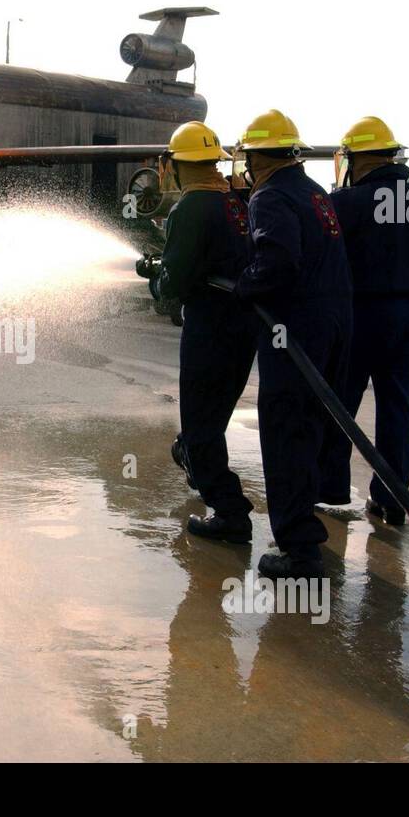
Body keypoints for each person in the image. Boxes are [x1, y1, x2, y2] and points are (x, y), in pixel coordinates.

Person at [232, 110, 352, 579]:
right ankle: (307, 527)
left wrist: (244, 287)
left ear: (259, 157)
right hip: (334, 325)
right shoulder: (314, 191)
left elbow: (277, 262)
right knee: (310, 430)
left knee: (285, 433)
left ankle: (299, 550)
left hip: (296, 333)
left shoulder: (271, 196)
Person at [318, 117, 409, 525]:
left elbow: (326, 264)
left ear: (356, 159)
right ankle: (391, 499)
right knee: (399, 406)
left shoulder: (346, 203)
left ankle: (331, 488)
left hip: (361, 313)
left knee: (339, 402)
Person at [154, 121, 259, 542]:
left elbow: (173, 285)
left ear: (177, 166)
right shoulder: (237, 201)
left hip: (210, 329)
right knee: (212, 416)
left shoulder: (191, 207)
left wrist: (157, 280)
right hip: (243, 326)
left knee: (201, 423)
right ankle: (194, 457)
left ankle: (230, 510)